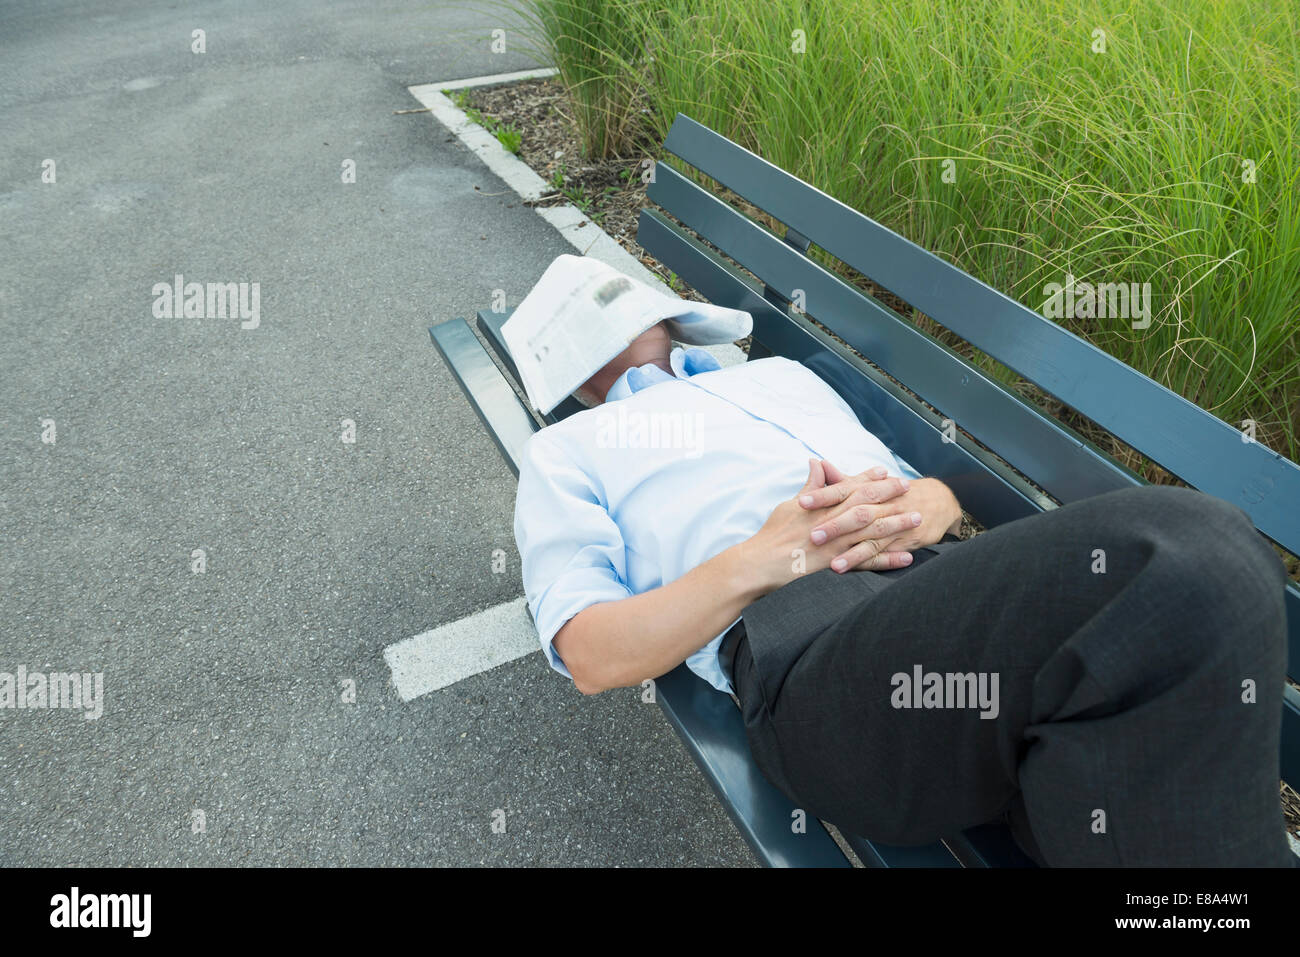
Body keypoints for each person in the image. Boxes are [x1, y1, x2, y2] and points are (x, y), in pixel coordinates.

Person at [513, 320, 1295, 866]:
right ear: (574, 368)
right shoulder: (564, 450)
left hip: (942, 608)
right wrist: (767, 558)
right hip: (817, 661)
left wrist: (924, 510)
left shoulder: (775, 378)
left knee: (1108, 767)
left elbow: (932, 495)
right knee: (1195, 558)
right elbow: (589, 652)